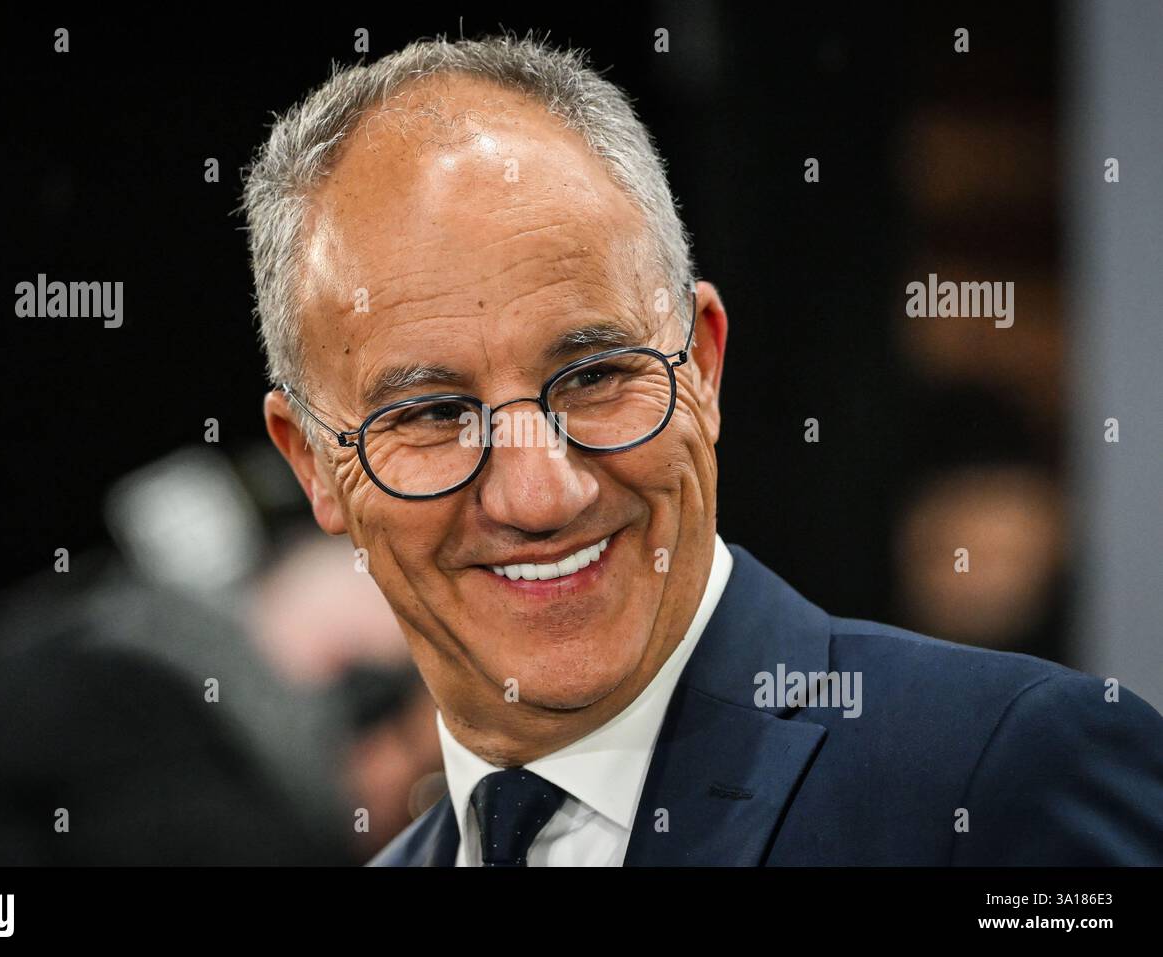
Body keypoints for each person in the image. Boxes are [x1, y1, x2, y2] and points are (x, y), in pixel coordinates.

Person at [244, 34, 1163, 865]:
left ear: (706, 365)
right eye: (437, 413)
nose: (539, 492)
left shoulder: (1004, 774)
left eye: (597, 375)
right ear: (314, 464)